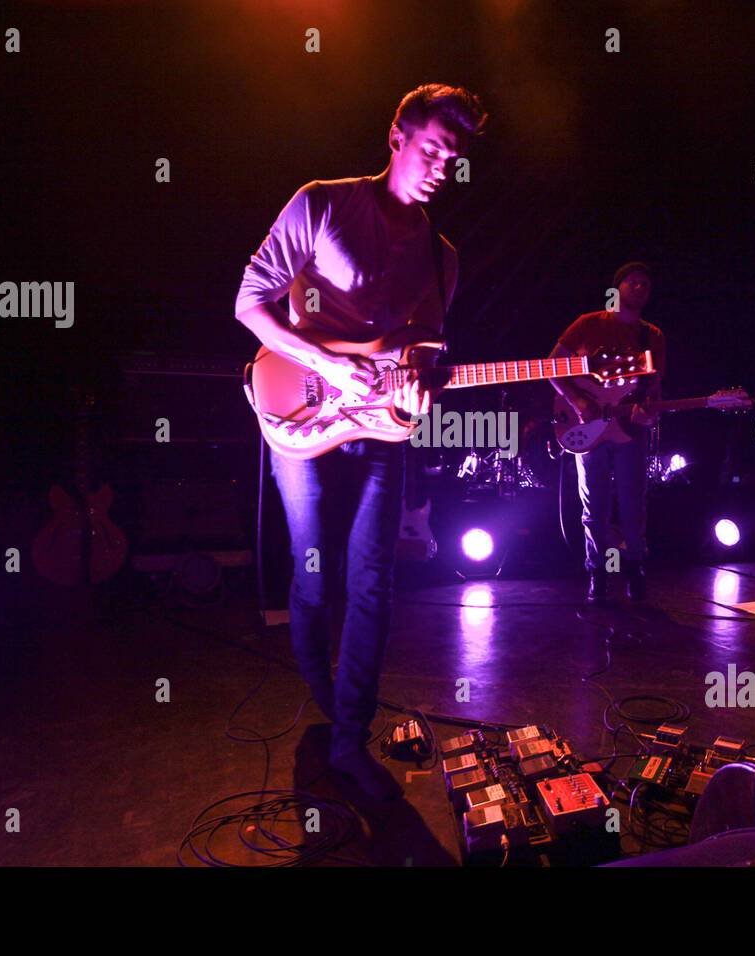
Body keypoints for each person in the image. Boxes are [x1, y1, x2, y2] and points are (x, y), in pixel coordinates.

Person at [234, 84, 487, 799]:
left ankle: (350, 739)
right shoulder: (320, 202)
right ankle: (326, 696)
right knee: (314, 578)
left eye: (454, 156)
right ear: (396, 136)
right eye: (432, 148)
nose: (442, 165)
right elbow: (248, 301)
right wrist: (326, 364)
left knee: (374, 580)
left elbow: (426, 355)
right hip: (299, 411)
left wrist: (420, 388)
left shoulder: (442, 255)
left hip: (379, 429)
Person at [549, 262, 666, 603]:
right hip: (589, 427)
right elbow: (553, 368)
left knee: (633, 505)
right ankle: (596, 574)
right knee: (594, 505)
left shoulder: (653, 336)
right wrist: (578, 402)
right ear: (618, 288)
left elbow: (653, 388)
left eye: (646, 283)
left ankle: (634, 571)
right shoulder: (588, 325)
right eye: (633, 282)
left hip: (630, 430)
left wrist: (647, 412)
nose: (640, 288)